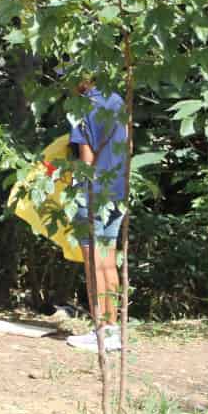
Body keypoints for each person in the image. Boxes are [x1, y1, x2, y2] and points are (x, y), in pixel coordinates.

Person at [66, 77, 128, 353]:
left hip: (93, 194)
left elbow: (87, 161)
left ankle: (100, 331)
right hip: (118, 190)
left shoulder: (81, 108)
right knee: (108, 261)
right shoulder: (117, 101)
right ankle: (113, 329)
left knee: (93, 263)